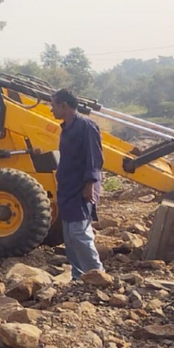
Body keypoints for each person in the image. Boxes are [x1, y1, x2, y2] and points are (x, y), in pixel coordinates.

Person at [49, 88, 105, 280]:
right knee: (70, 236)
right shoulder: (66, 128)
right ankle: (78, 277)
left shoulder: (86, 127)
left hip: (81, 189)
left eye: (53, 105)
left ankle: (97, 277)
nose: (51, 110)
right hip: (67, 189)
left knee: (80, 233)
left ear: (63, 106)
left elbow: (94, 158)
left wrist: (90, 185)